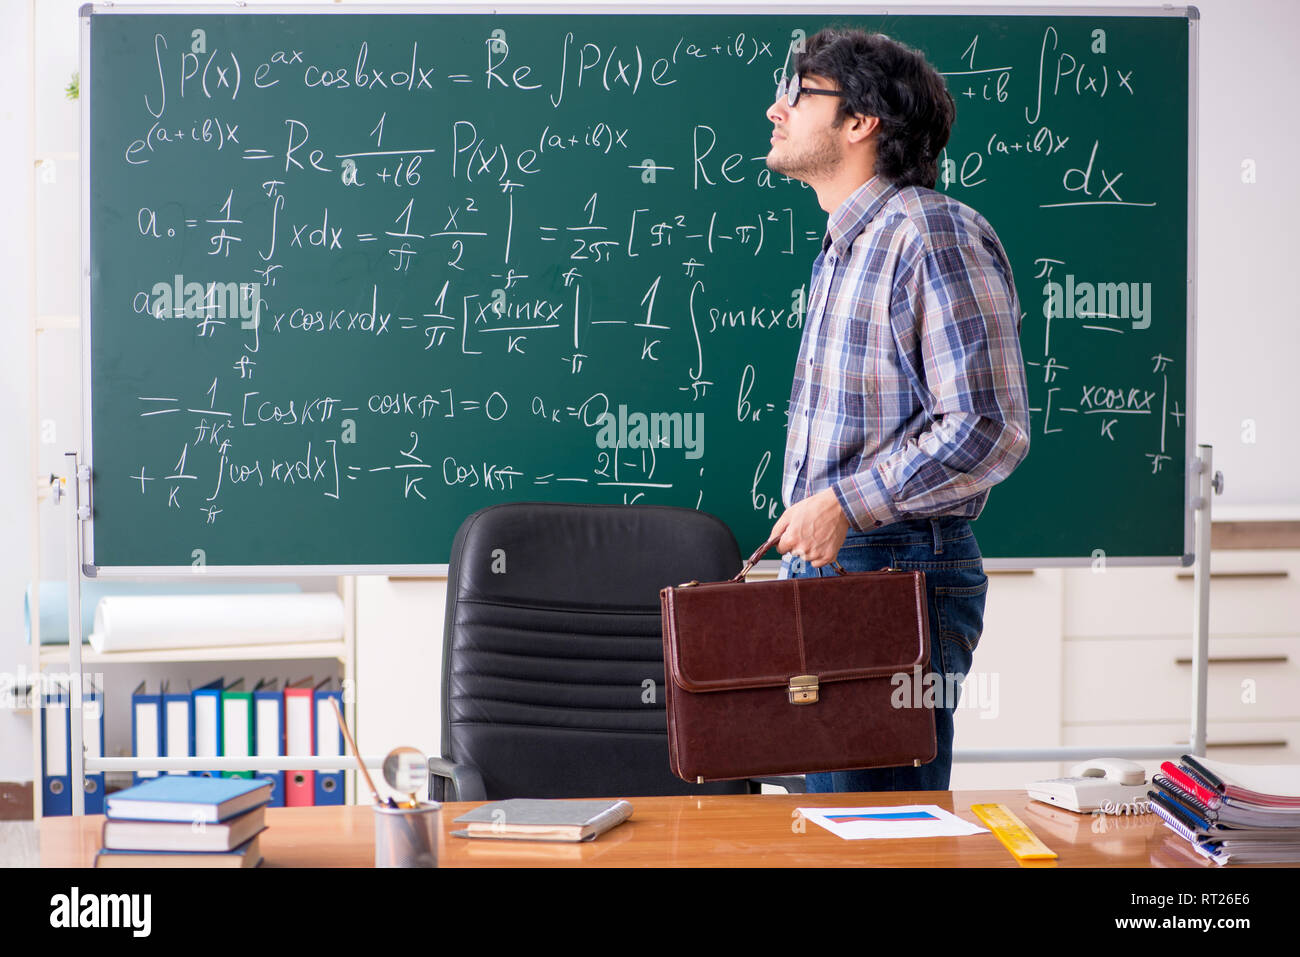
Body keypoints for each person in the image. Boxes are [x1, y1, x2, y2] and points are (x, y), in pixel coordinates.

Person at [765, 29, 1031, 792]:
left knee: (874, 836)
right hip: (834, 574)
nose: (774, 109)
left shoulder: (927, 232)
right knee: (825, 829)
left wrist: (844, 503)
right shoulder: (847, 245)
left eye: (800, 93)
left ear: (861, 123)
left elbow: (988, 425)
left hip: (893, 573)